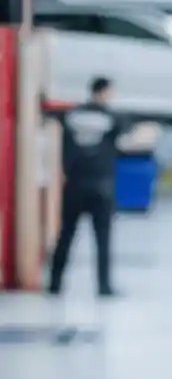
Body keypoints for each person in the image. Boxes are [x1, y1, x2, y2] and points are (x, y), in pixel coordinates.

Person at [47, 76, 128, 297]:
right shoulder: (112, 118)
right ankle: (104, 286)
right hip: (101, 185)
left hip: (74, 184)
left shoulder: (72, 115)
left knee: (66, 235)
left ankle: (54, 284)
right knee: (102, 238)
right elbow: (124, 142)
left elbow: (53, 117)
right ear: (104, 92)